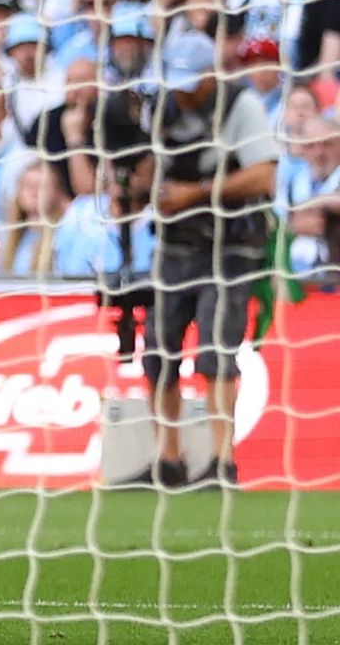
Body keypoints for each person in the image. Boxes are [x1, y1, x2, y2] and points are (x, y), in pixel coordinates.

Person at [131, 32, 279, 489]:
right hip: (175, 246)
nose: (183, 91)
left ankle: (222, 461)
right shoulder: (162, 107)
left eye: (191, 83)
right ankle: (169, 460)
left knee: (216, 351)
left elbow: (263, 176)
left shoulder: (241, 106)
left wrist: (193, 195)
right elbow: (153, 170)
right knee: (158, 350)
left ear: (211, 75)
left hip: (231, 246)